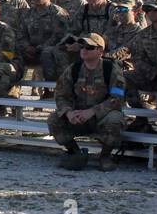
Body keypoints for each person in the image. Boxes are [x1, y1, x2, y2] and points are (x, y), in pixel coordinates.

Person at [47, 32, 126, 171]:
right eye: (82, 46)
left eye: (89, 47)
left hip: (101, 118)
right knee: (54, 119)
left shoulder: (111, 69)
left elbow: (117, 99)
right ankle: (74, 152)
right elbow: (61, 95)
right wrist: (69, 112)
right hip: (78, 118)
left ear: (100, 51)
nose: (84, 50)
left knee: (115, 119)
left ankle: (105, 156)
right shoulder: (74, 69)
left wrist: (93, 112)